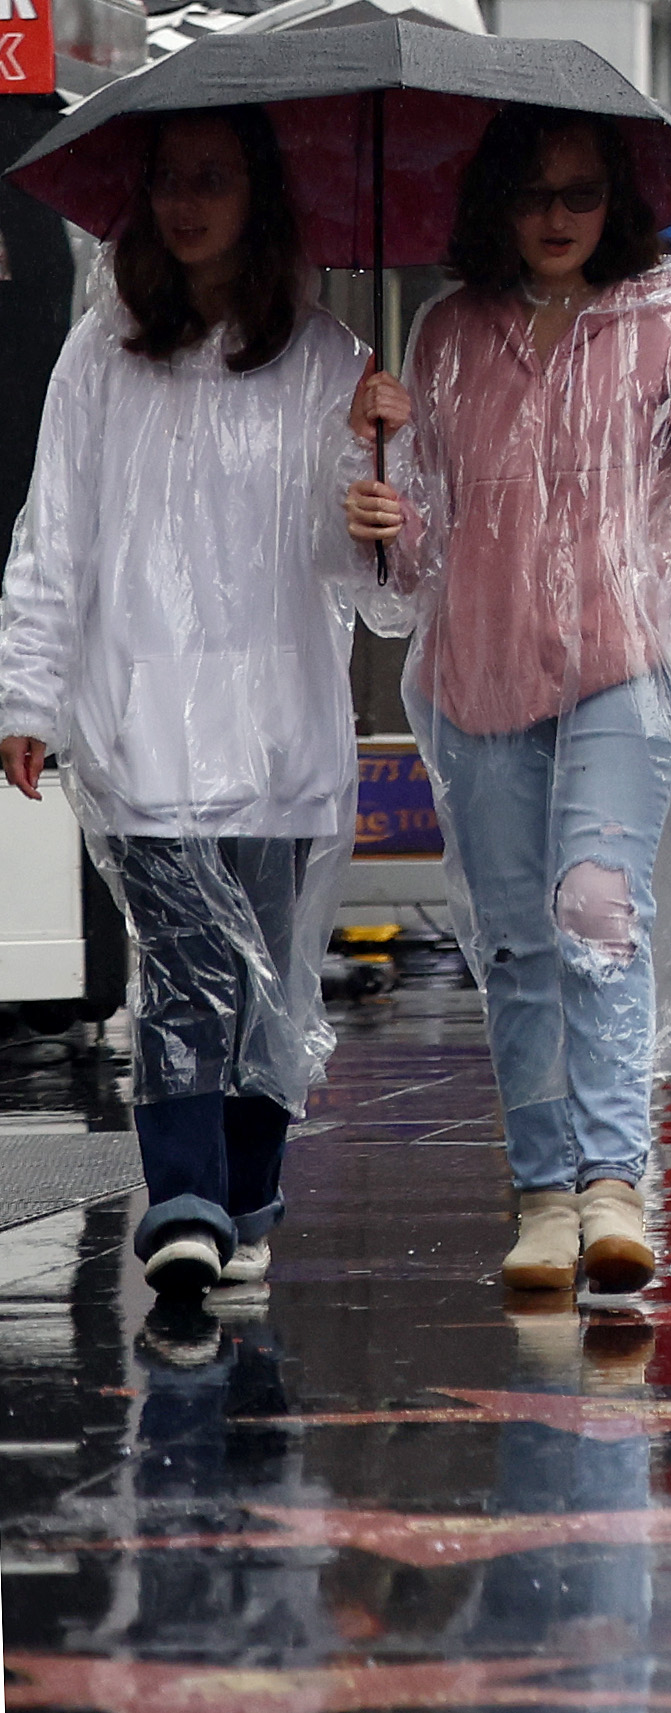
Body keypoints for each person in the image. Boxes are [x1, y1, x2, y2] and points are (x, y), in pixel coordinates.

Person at [343, 109, 671, 1302]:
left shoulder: (669, 323)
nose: (558, 216)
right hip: (477, 673)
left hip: (623, 663)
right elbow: (416, 568)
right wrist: (384, 502)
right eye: (536, 193)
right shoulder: (444, 335)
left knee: (598, 906)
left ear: (617, 204)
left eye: (582, 193)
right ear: (496, 202)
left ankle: (614, 1183)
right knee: (513, 937)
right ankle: (543, 1191)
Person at [0, 109, 371, 1306]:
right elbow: (53, 532)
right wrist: (29, 692)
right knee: (183, 967)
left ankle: (245, 1193)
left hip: (276, 726)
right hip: (144, 717)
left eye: (212, 179)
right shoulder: (102, 356)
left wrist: (382, 479)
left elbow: (365, 577)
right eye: (168, 181)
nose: (185, 203)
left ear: (256, 196)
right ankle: (186, 1198)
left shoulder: (327, 361)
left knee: (265, 984)